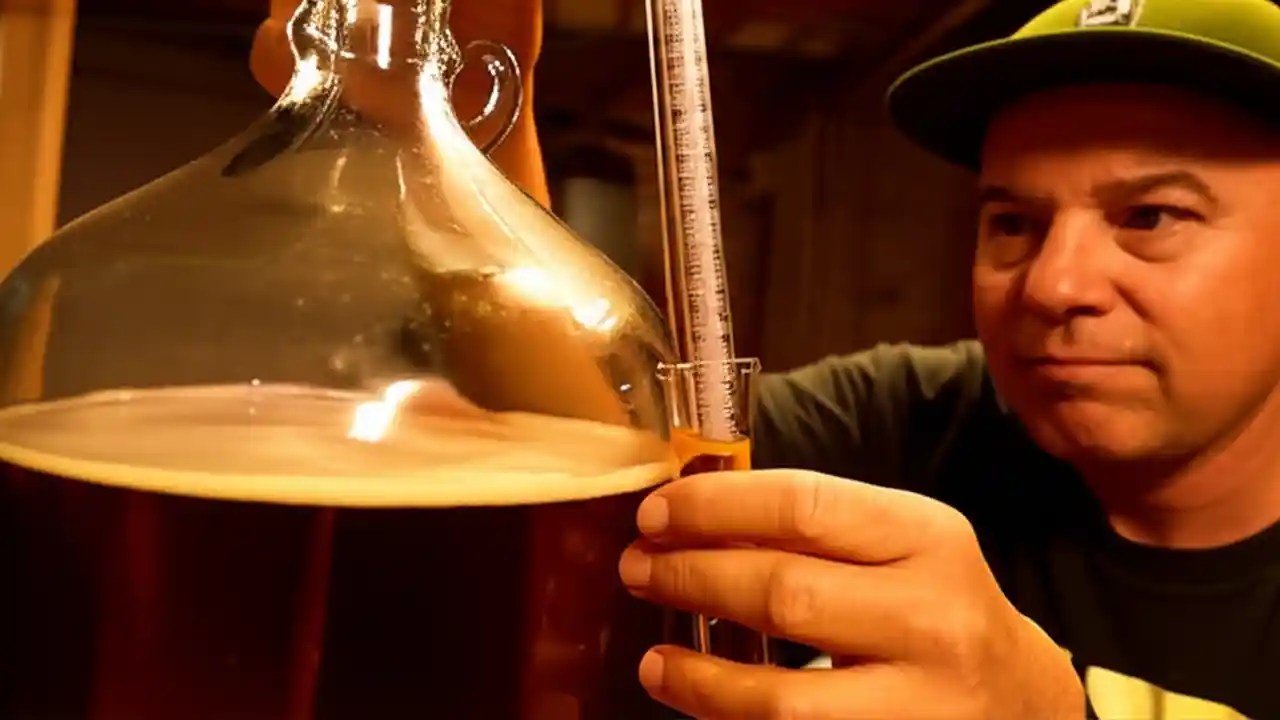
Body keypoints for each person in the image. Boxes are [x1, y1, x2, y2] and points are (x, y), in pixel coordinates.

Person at [253, 0, 1280, 717]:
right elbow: (557, 434)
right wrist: (451, 136)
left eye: (1149, 217)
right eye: (1010, 223)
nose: (1053, 286)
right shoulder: (915, 417)